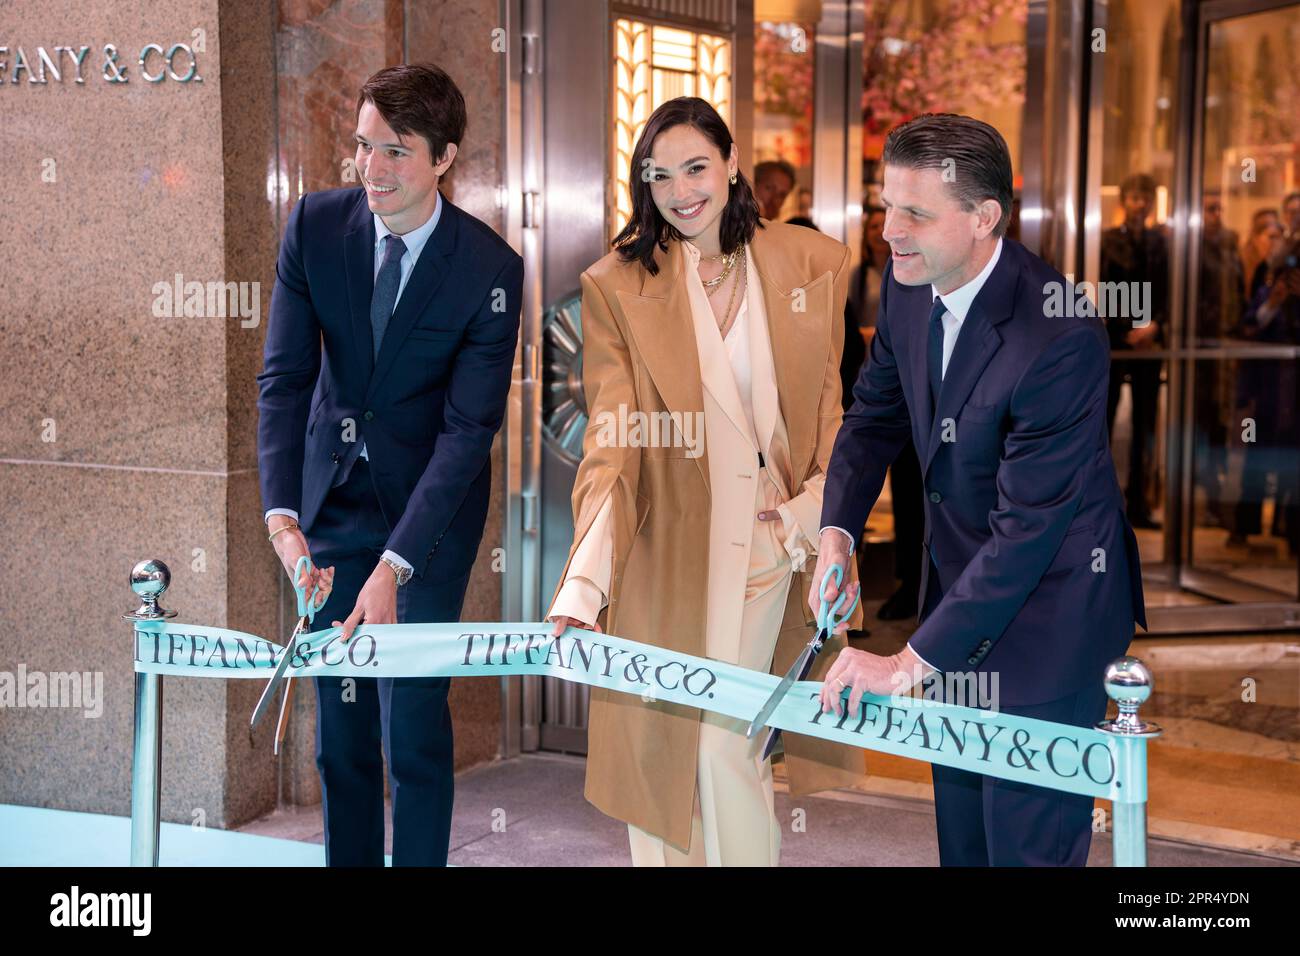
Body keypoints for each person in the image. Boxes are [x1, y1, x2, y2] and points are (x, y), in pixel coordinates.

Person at [812, 113, 1145, 866]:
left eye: (916, 214)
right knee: (964, 844)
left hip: (1050, 620)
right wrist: (838, 533)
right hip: (956, 611)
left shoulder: (1060, 336)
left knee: (1024, 851)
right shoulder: (908, 285)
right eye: (884, 205)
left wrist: (903, 664)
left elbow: (1029, 531)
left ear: (984, 218)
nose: (889, 231)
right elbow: (873, 416)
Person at [546, 96, 865, 866]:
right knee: (661, 747)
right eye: (661, 177)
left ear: (731, 164)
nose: (683, 190)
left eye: (697, 167)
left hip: (768, 546)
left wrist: (812, 524)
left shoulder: (810, 264)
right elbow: (613, 445)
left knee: (727, 741)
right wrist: (585, 587)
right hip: (667, 548)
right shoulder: (617, 285)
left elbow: (834, 419)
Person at [257, 63, 523, 866]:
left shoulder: (489, 270)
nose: (373, 169)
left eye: (397, 151)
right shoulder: (314, 227)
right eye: (364, 146)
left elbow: (467, 432)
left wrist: (396, 565)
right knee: (340, 737)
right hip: (332, 506)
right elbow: (285, 378)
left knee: (409, 729)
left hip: (428, 522)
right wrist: (283, 519)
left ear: (444, 158)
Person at [847, 203, 923, 621]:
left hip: (916, 399)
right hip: (882, 389)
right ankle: (907, 581)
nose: (884, 232)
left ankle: (922, 585)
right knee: (904, 490)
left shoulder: (917, 271)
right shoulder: (864, 277)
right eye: (877, 224)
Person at [1101, 173, 1168, 530]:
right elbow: (1098, 285)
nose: (1140, 204)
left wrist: (1155, 326)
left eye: (1146, 197)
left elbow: (1170, 289)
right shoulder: (1107, 240)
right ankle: (1103, 503)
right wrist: (1122, 328)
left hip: (1149, 341)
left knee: (1145, 426)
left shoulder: (1163, 242)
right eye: (1134, 197)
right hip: (1113, 342)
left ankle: (1139, 503)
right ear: (1124, 201)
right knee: (1104, 425)